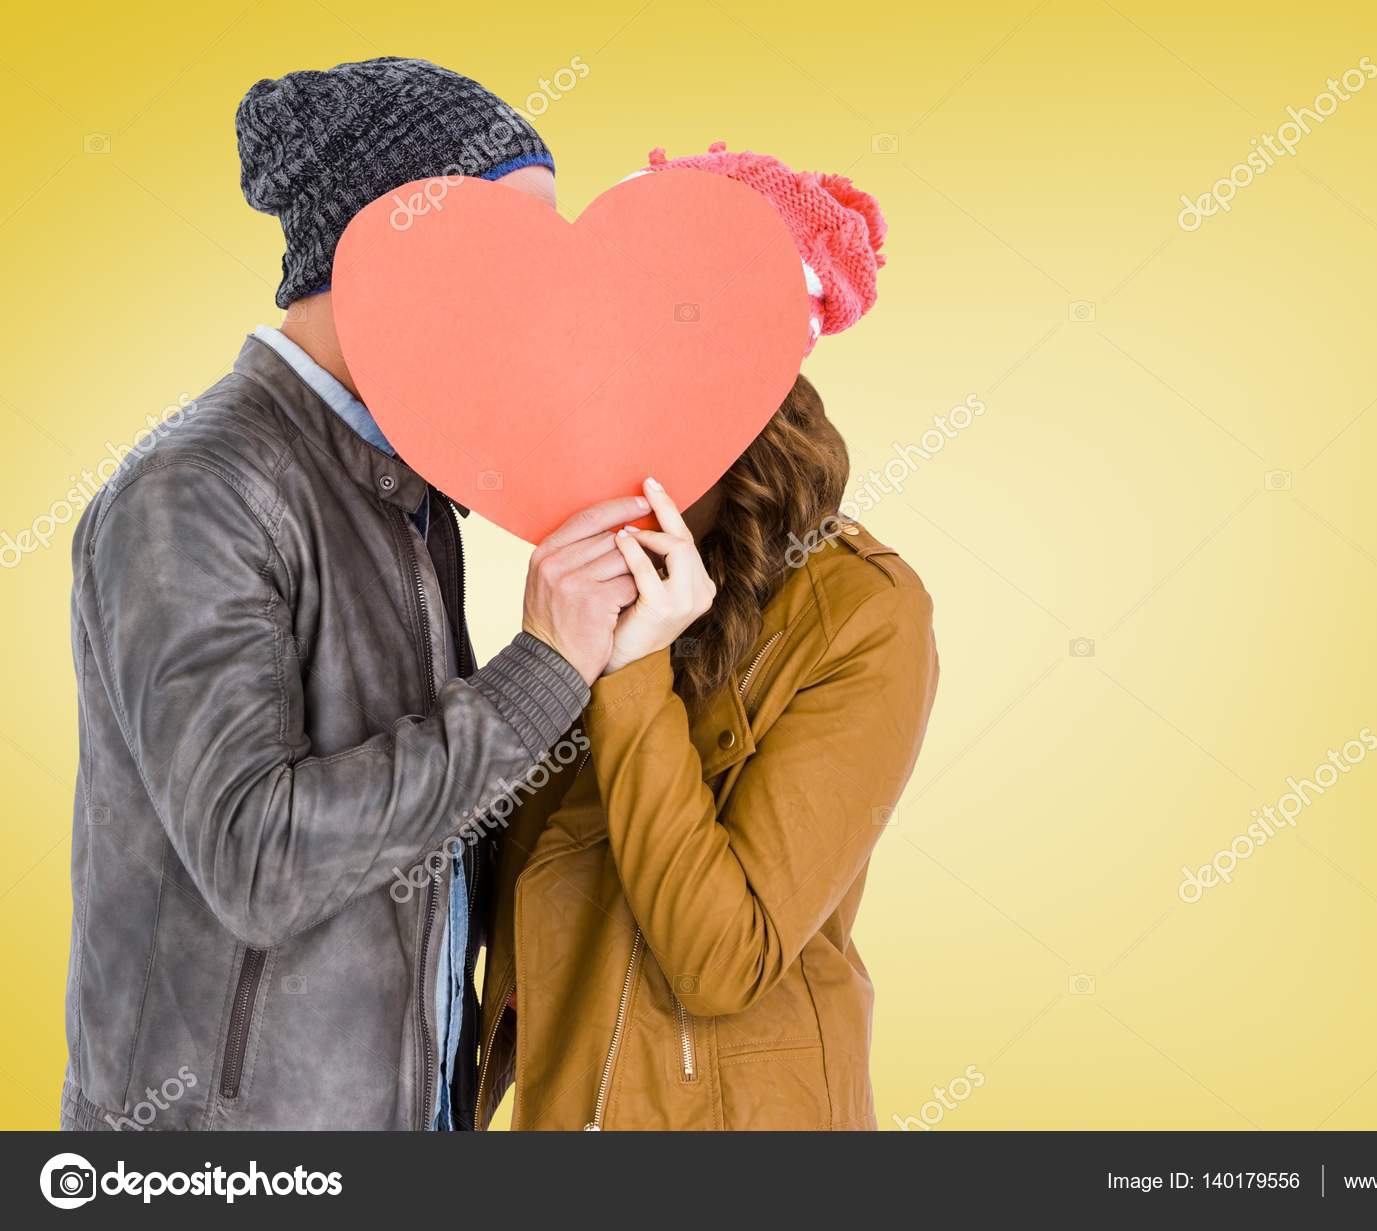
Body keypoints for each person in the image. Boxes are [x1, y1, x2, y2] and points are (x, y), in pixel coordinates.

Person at [60, 57, 641, 1131]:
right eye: (503, 257)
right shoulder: (197, 491)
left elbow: (428, 817)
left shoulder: (410, 485)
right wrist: (541, 672)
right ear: (381, 253)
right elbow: (262, 859)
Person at [477, 148, 939, 1130]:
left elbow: (720, 957)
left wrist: (636, 667)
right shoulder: (596, 552)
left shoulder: (862, 611)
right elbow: (509, 884)